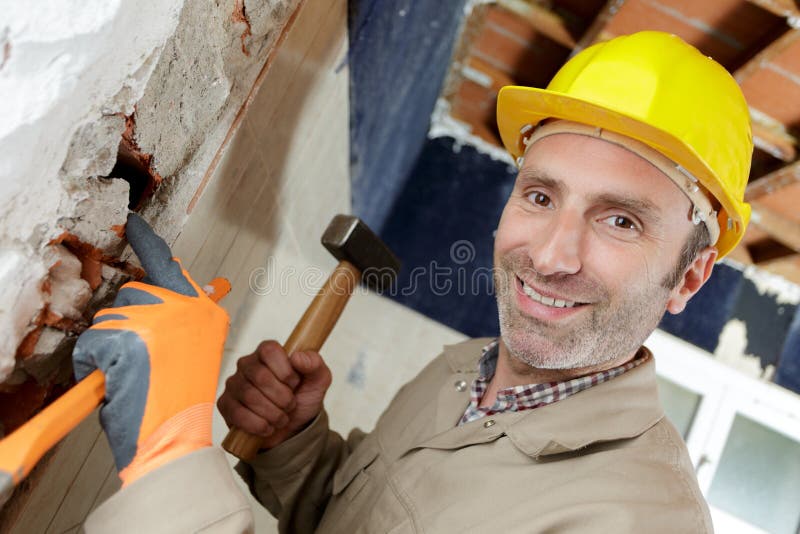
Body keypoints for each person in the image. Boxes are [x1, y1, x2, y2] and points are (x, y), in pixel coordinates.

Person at [81, 31, 751, 532]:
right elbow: (349, 519)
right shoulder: (461, 370)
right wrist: (293, 441)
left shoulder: (640, 520)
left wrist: (168, 455)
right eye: (541, 197)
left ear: (688, 277)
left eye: (621, 221)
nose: (551, 256)